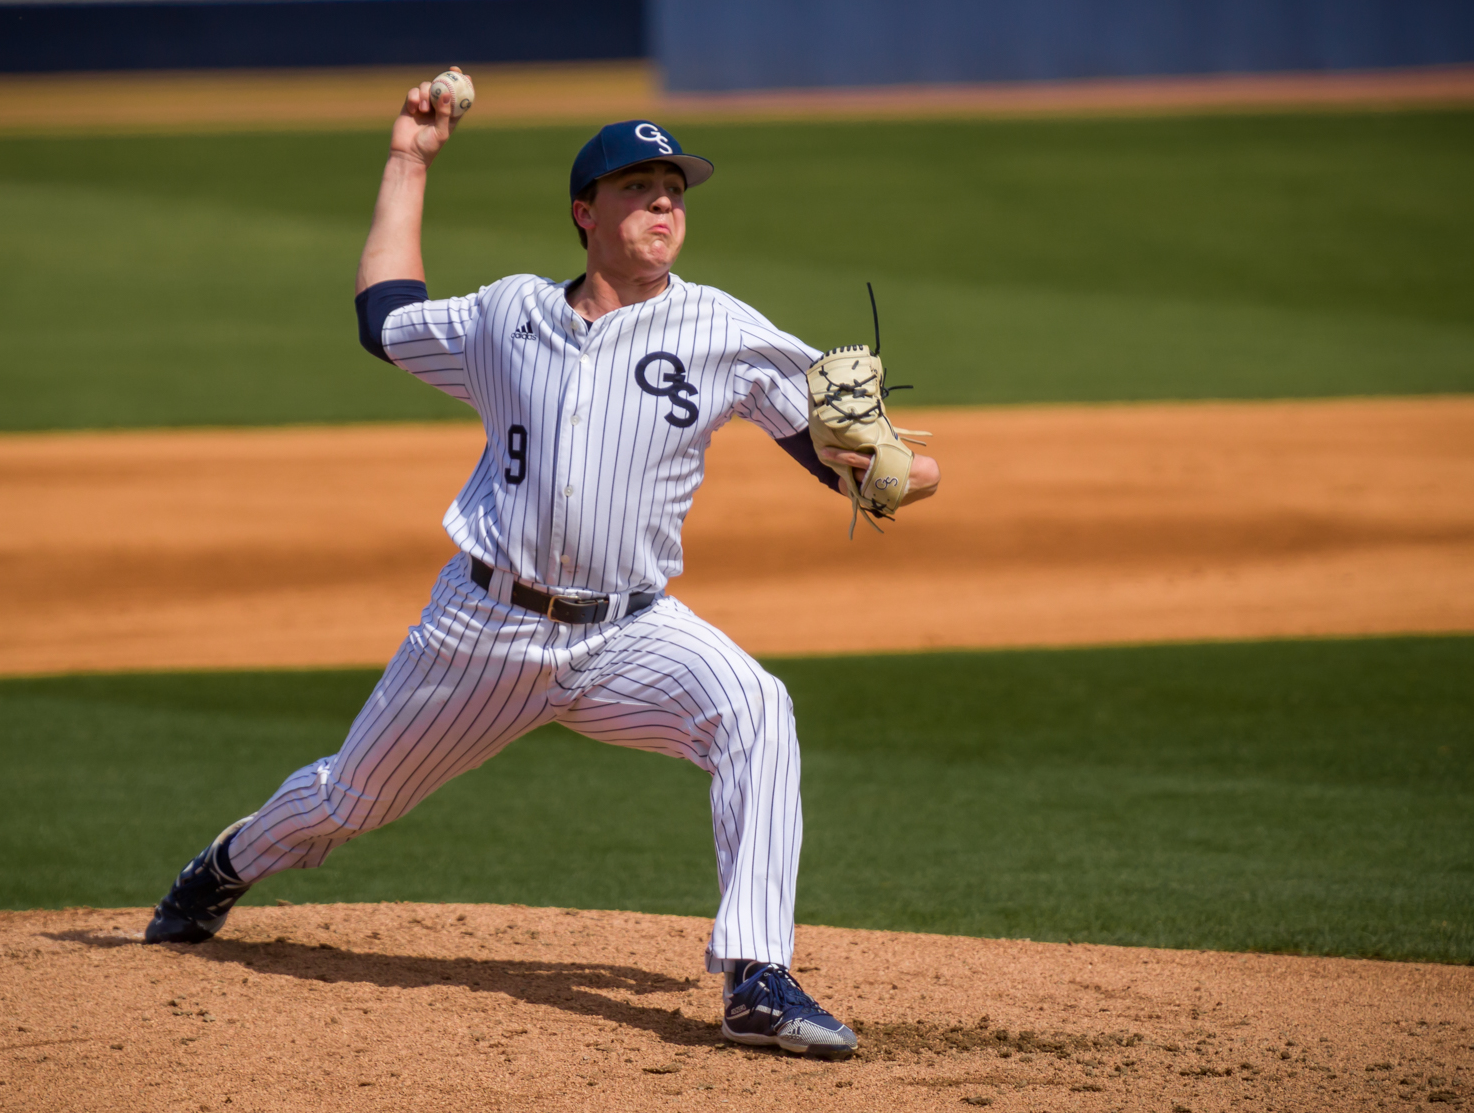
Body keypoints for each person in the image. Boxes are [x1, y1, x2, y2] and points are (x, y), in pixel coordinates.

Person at [142, 69, 940, 1060]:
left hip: (627, 631)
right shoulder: (507, 315)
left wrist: (900, 469)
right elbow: (382, 318)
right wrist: (406, 159)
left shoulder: (723, 330)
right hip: (481, 631)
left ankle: (753, 977)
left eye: (673, 192)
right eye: (638, 189)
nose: (661, 205)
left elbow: (853, 467)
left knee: (754, 709)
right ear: (584, 212)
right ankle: (223, 866)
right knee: (351, 801)